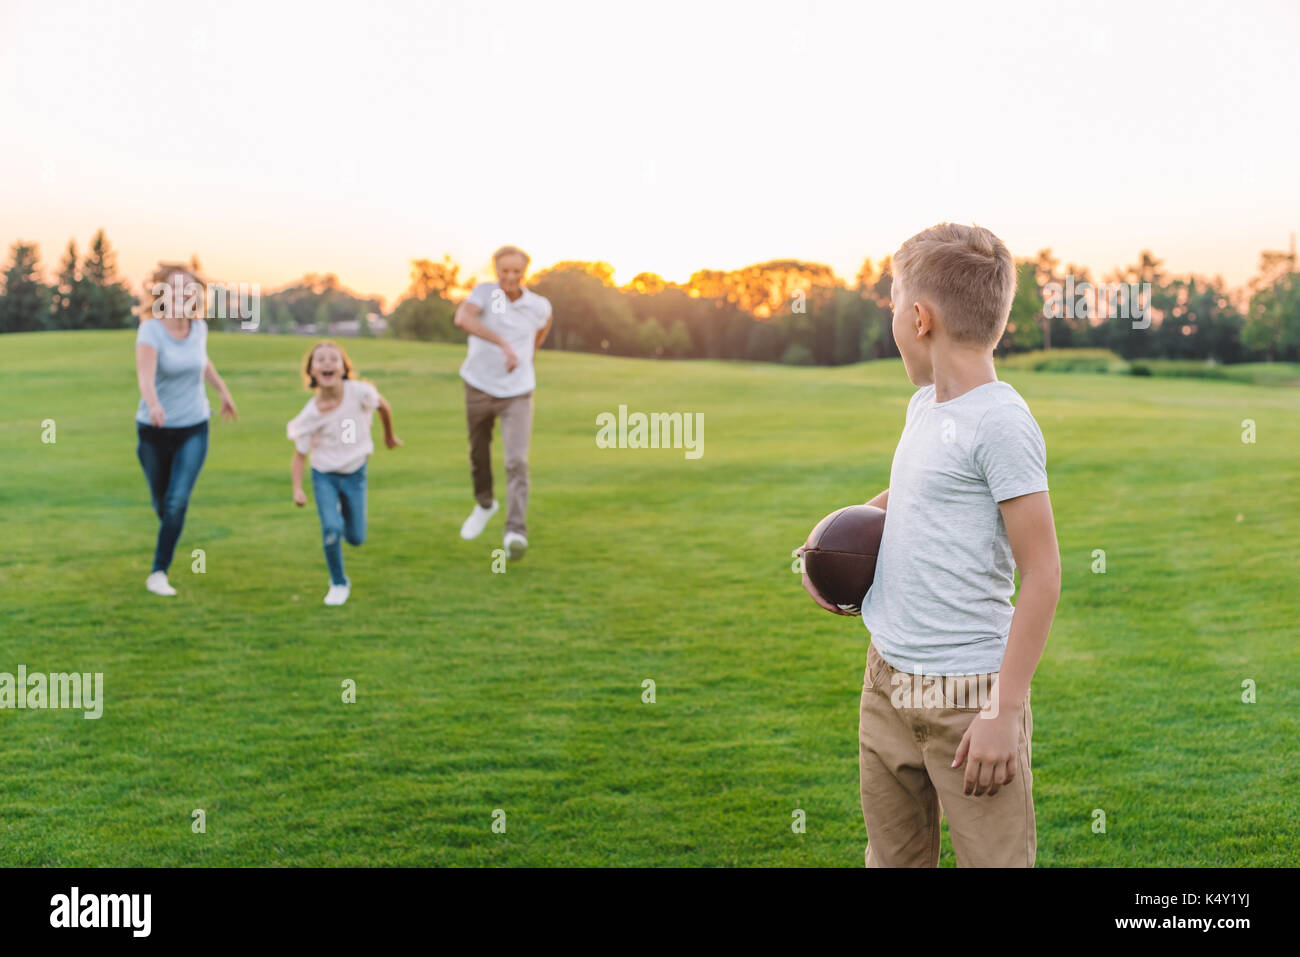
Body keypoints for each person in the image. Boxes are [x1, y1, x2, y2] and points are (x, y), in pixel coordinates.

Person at [801, 223, 1061, 867]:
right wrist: (833, 544)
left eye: (892, 302)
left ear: (919, 317)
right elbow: (908, 498)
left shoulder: (1000, 423)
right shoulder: (925, 408)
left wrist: (1003, 713)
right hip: (888, 677)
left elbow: (1044, 572)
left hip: (969, 694)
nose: (891, 315)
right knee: (893, 860)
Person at [134, 268, 237, 597]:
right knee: (163, 504)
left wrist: (223, 391)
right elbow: (146, 376)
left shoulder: (199, 328)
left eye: (189, 289)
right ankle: (170, 531)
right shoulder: (150, 330)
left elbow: (202, 362)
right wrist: (153, 404)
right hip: (155, 429)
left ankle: (158, 572)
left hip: (194, 426)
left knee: (177, 503)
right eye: (175, 288)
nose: (182, 294)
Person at [453, 245, 553, 560]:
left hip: (518, 391)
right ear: (496, 270)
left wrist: (529, 356)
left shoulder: (538, 306)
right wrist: (504, 344)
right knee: (478, 453)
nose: (510, 276)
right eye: (504, 270)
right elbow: (462, 319)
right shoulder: (484, 295)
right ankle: (485, 503)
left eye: (516, 271)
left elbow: (543, 326)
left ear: (525, 272)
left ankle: (515, 532)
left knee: (516, 461)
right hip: (479, 386)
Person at [288, 340, 401, 606]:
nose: (327, 363)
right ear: (312, 372)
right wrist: (297, 488)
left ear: (343, 368)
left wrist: (389, 436)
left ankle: (343, 521)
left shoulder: (360, 392)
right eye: (320, 360)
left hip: (355, 473)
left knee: (356, 537)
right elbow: (300, 455)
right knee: (330, 529)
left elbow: (383, 406)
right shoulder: (309, 415)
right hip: (324, 475)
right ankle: (338, 582)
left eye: (333, 359)